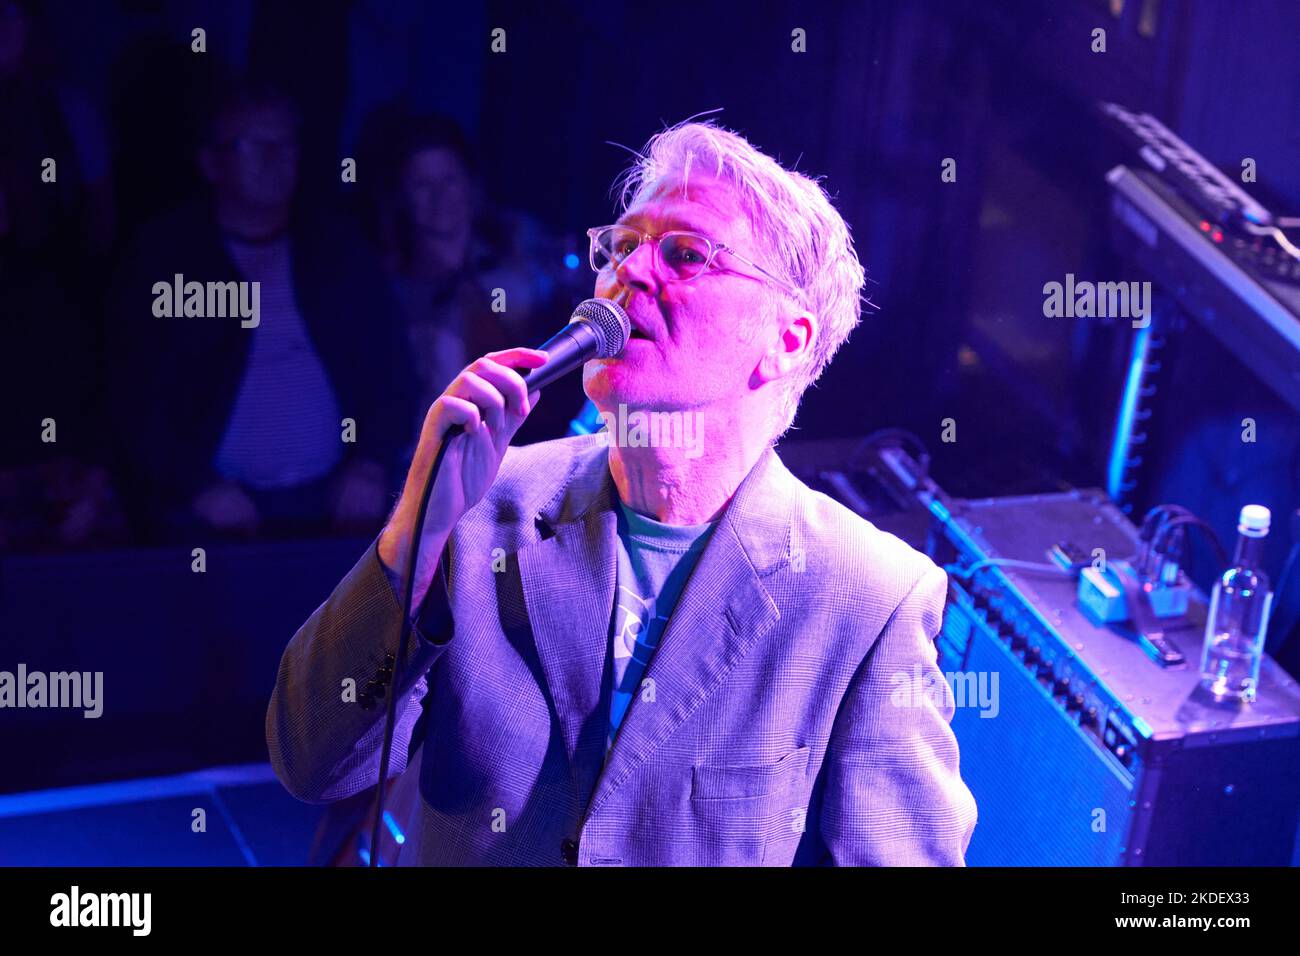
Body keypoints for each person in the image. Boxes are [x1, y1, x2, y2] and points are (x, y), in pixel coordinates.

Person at [267, 120, 978, 865]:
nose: (629, 273)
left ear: (786, 339)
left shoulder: (867, 597)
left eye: (685, 254)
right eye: (623, 244)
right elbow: (312, 760)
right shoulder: (490, 504)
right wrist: (418, 525)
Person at [106, 79, 417, 541]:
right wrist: (197, 487)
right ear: (211, 162)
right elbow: (133, 396)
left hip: (335, 500)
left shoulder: (336, 249)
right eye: (255, 145)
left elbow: (393, 370)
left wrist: (370, 463)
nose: (276, 158)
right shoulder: (165, 256)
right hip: (210, 508)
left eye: (286, 144)